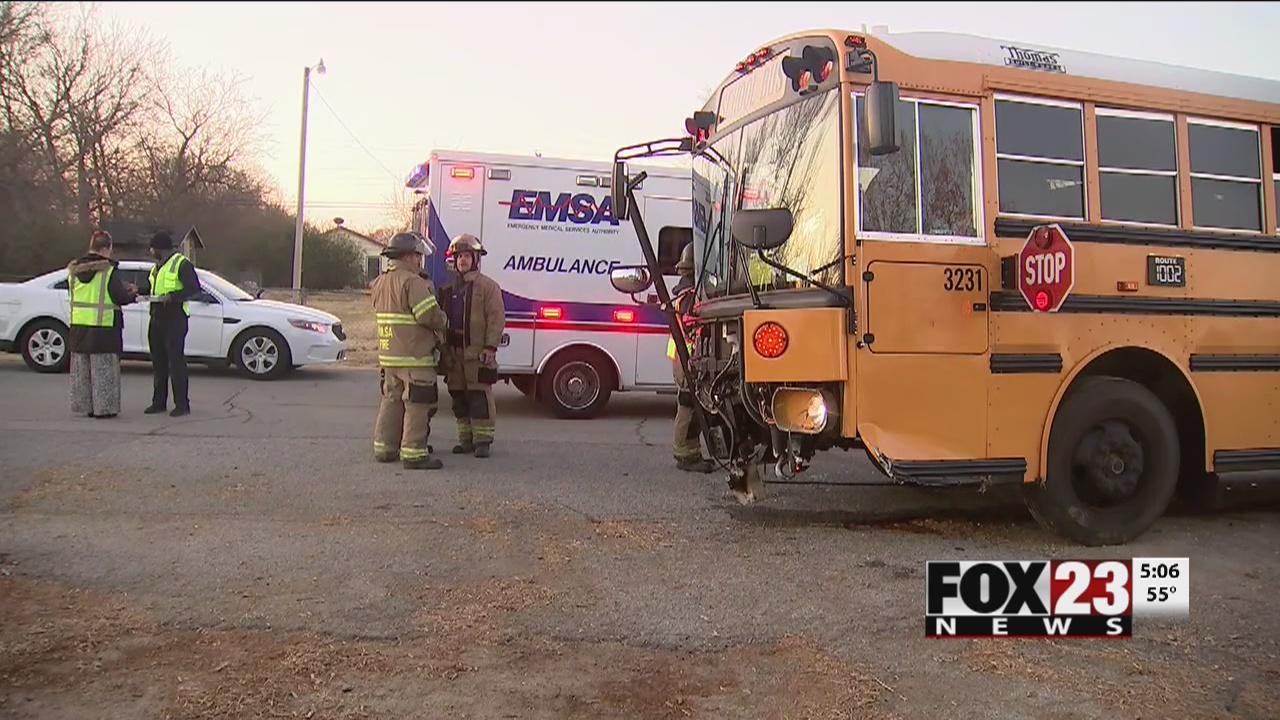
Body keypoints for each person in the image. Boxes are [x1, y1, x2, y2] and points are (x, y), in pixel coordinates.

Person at [371, 232, 449, 470]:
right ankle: (414, 452)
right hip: (415, 356)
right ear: (408, 256)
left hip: (390, 355)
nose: (419, 261)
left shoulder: (380, 281)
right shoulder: (413, 282)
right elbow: (428, 315)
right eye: (417, 256)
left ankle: (385, 448)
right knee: (417, 404)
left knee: (392, 401)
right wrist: (444, 320)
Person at [437, 234, 505, 458]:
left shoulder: (488, 287)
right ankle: (465, 439)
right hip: (454, 355)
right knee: (458, 398)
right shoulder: (448, 289)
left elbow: (496, 319)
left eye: (467, 256)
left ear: (475, 259)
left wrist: (490, 348)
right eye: (459, 257)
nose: (462, 261)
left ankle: (483, 440)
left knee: (479, 398)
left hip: (477, 355)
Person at [67, 230, 138, 419]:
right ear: (106, 248)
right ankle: (104, 408)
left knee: (83, 373)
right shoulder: (108, 271)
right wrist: (132, 295)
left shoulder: (73, 271)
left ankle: (86, 406)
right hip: (104, 328)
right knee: (104, 371)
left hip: (78, 327)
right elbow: (119, 297)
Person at [143, 231, 202, 417]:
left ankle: (182, 405)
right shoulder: (156, 268)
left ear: (160, 249)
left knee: (175, 362)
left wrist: (174, 297)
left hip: (175, 318)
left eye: (153, 248)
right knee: (158, 362)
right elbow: (153, 287)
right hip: (156, 316)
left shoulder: (181, 264)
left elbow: (194, 289)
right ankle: (159, 402)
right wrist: (138, 290)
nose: (151, 251)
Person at [670, 243, 714, 473]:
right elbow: (691, 325)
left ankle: (690, 452)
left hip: (686, 358)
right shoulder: (689, 296)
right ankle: (686, 456)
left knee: (690, 406)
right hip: (690, 359)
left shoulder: (684, 293)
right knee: (688, 406)